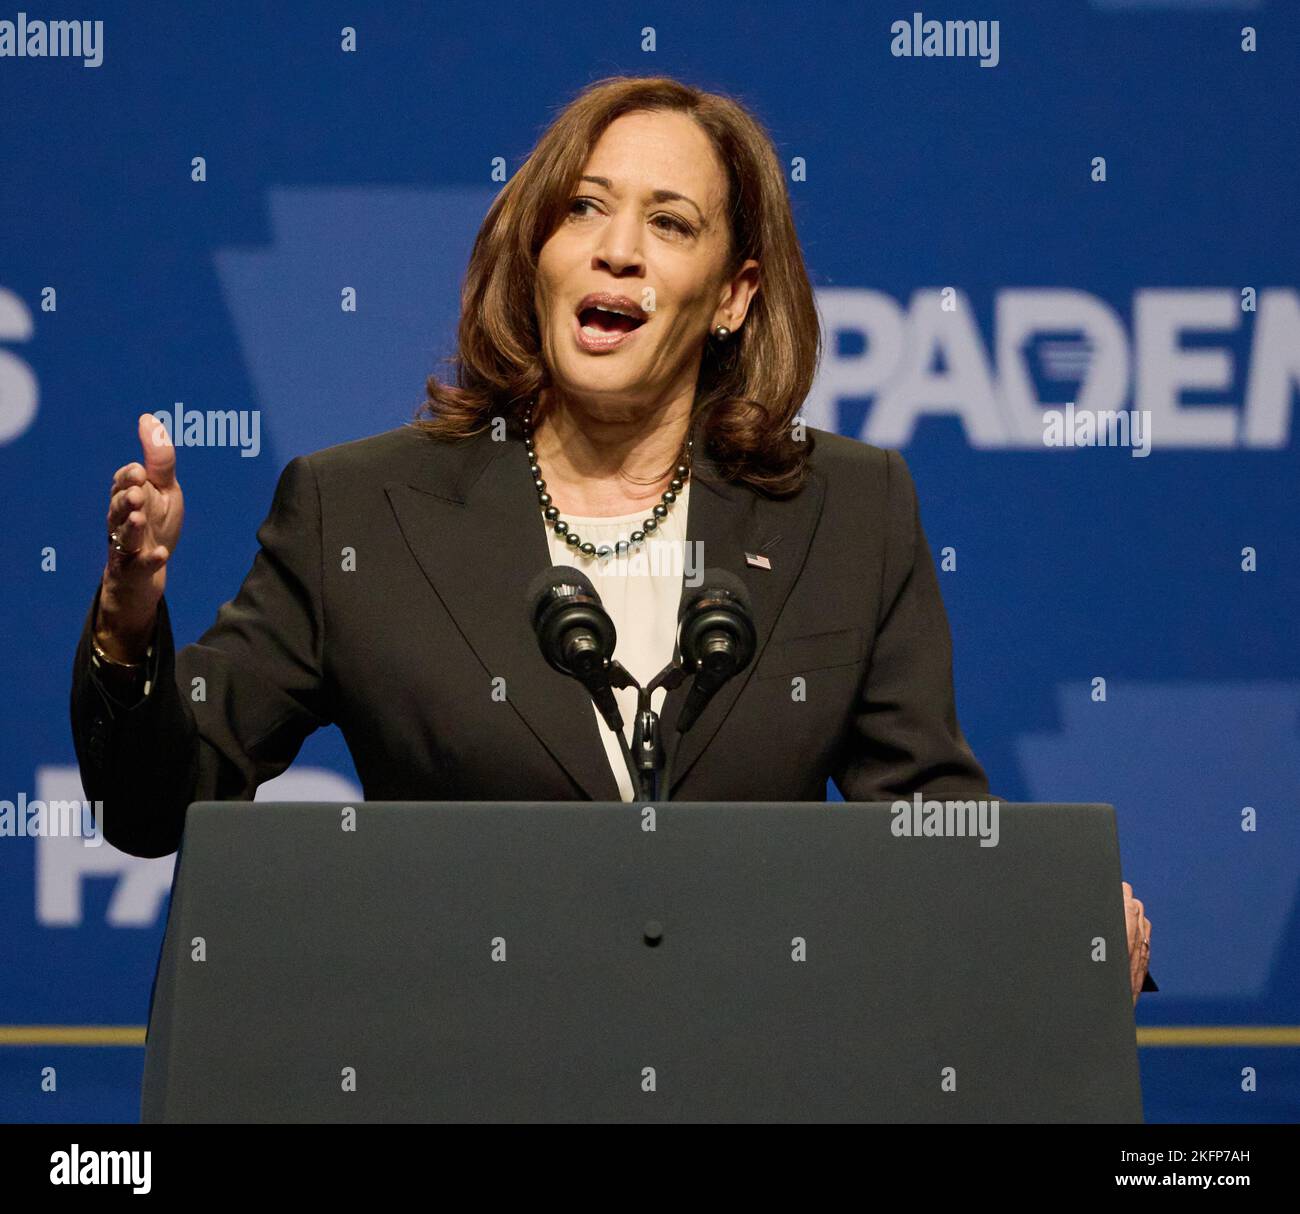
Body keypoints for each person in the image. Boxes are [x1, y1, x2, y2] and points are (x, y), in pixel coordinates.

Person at [70, 74, 1152, 1001]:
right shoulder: (357, 510)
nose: (618, 251)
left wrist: (1046, 909)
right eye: (583, 209)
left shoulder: (845, 510)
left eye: (670, 222)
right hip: (450, 1072)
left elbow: (921, 816)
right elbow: (162, 803)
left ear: (733, 297)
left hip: (753, 1072)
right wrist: (130, 625)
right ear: (535, 248)